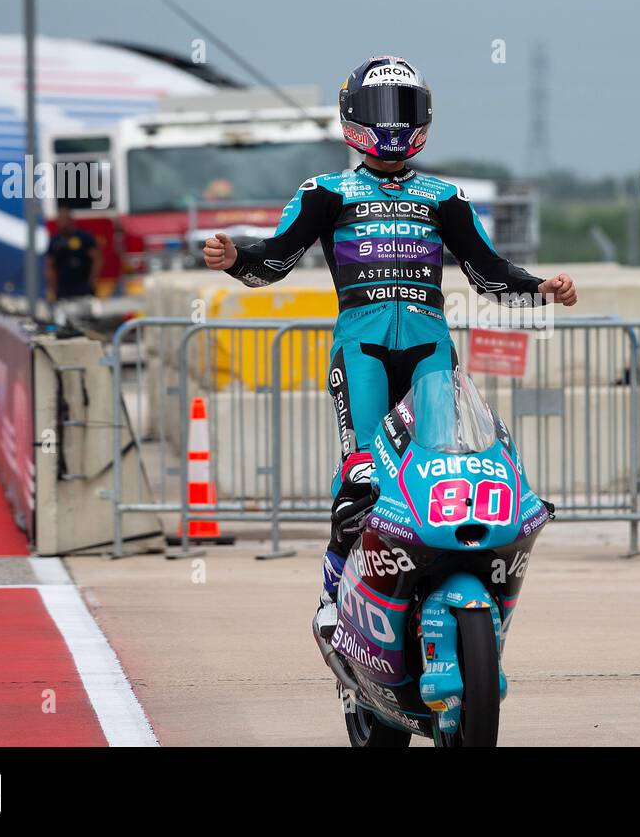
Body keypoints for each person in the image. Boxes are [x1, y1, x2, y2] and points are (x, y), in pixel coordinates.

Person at [203, 55, 576, 641]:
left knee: (450, 474)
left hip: (432, 350)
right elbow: (276, 259)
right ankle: (332, 600)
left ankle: (447, 588)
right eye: (381, 111)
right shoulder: (325, 192)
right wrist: (235, 260)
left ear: (425, 116)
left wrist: (541, 290)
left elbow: (489, 273)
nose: (393, 124)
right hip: (362, 351)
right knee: (362, 480)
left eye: (404, 109)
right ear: (352, 117)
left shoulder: (444, 196)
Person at [46, 207, 101, 301]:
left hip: (84, 288)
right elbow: (50, 265)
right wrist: (52, 288)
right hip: (63, 290)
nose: (61, 224)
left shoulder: (84, 238)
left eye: (63, 221)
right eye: (59, 221)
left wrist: (92, 281)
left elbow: (97, 259)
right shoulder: (55, 241)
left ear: (70, 221)